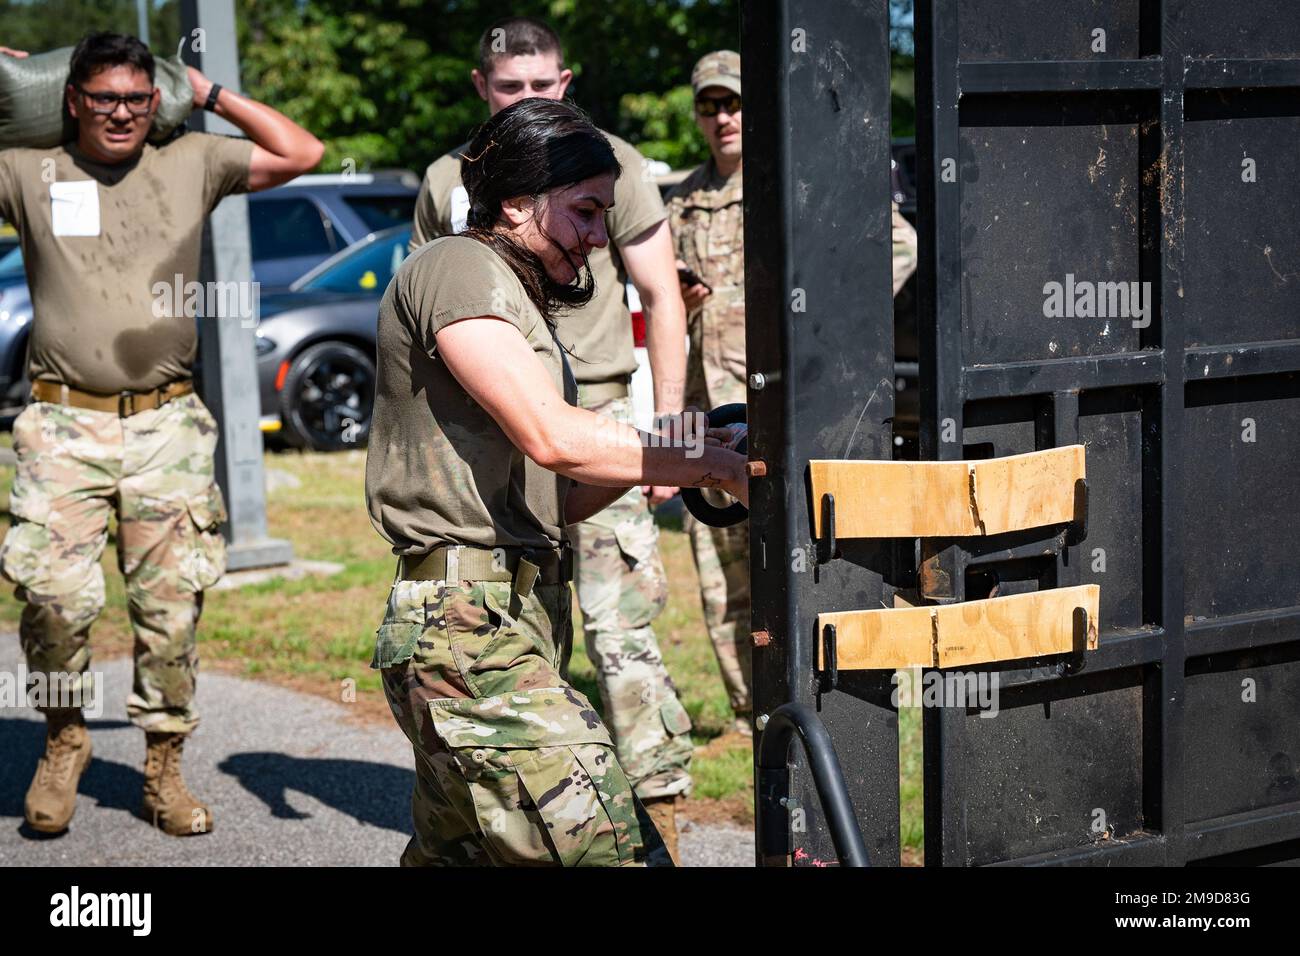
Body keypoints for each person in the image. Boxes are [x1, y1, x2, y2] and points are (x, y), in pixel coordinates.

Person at [367, 96, 747, 867]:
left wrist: (688, 439)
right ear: (515, 201)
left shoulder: (519, 298)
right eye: (584, 211)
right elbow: (553, 437)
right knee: (615, 849)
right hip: (464, 628)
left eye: (605, 213)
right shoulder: (457, 267)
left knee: (462, 856)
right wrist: (710, 466)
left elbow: (560, 495)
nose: (600, 236)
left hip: (509, 617)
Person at [0, 33, 323, 836]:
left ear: (157, 101)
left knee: (171, 609)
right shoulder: (27, 170)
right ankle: (65, 736)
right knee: (51, 600)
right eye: (104, 98)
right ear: (72, 98)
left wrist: (209, 95)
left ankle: (163, 766)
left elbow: (303, 150)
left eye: (138, 100)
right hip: (60, 424)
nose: (121, 114)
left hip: (168, 425)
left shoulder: (194, 162)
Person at [409, 16, 695, 855]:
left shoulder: (613, 166)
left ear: (565, 84)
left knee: (622, 633)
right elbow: (435, 318)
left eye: (543, 86)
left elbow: (662, 295)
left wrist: (671, 431)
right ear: (482, 89)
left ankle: (654, 819)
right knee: (520, 633)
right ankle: (565, 816)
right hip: (508, 438)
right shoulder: (449, 187)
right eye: (511, 88)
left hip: (602, 422)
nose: (529, 98)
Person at [668, 51, 919, 736]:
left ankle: (812, 707)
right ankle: (756, 718)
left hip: (781, 410)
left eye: (735, 103)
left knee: (792, 560)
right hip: (706, 415)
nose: (723, 117)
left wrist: (816, 336)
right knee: (719, 572)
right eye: (710, 105)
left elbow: (896, 246)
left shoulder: (795, 184)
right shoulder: (680, 198)